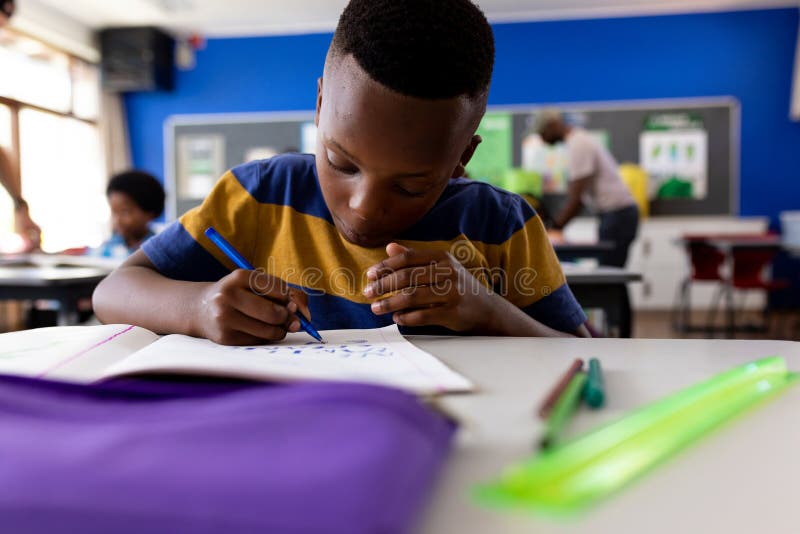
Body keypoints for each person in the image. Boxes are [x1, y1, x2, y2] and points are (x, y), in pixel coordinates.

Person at [93, 0, 590, 344]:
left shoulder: (500, 225)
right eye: (341, 162)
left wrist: (489, 312)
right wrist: (198, 308)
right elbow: (112, 292)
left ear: (462, 157)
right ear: (319, 105)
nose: (364, 206)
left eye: (411, 184)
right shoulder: (263, 195)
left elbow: (583, 352)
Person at [537, 109, 640, 268]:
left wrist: (553, 229)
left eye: (542, 132)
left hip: (618, 214)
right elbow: (578, 198)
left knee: (610, 274)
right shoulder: (578, 141)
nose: (542, 139)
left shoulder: (578, 144)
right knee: (613, 275)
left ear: (553, 125)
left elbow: (576, 199)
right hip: (616, 214)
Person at [91, 170, 165, 259]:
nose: (117, 220)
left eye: (124, 212)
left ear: (150, 212)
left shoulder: (158, 250)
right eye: (114, 212)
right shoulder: (110, 245)